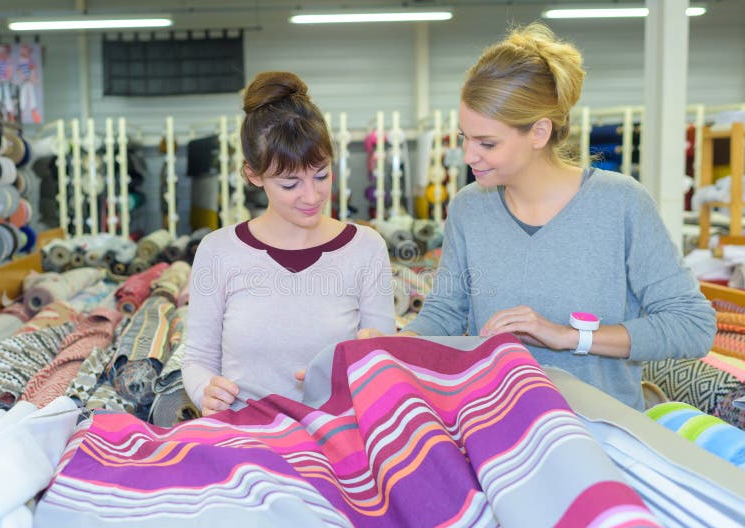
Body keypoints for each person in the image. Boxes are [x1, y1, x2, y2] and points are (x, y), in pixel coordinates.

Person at [360, 23, 715, 411]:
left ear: (539, 132)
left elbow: (692, 326)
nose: (468, 155)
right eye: (464, 137)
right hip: (496, 428)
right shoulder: (469, 208)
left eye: (487, 143)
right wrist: (392, 348)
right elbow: (445, 314)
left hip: (599, 432)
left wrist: (568, 336)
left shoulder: (621, 204)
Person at [183, 71, 395, 416]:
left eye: (322, 174)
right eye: (289, 183)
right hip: (247, 438)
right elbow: (197, 360)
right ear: (254, 174)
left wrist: (371, 359)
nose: (311, 196)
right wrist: (204, 390)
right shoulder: (218, 251)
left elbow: (381, 359)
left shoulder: (366, 248)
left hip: (338, 439)